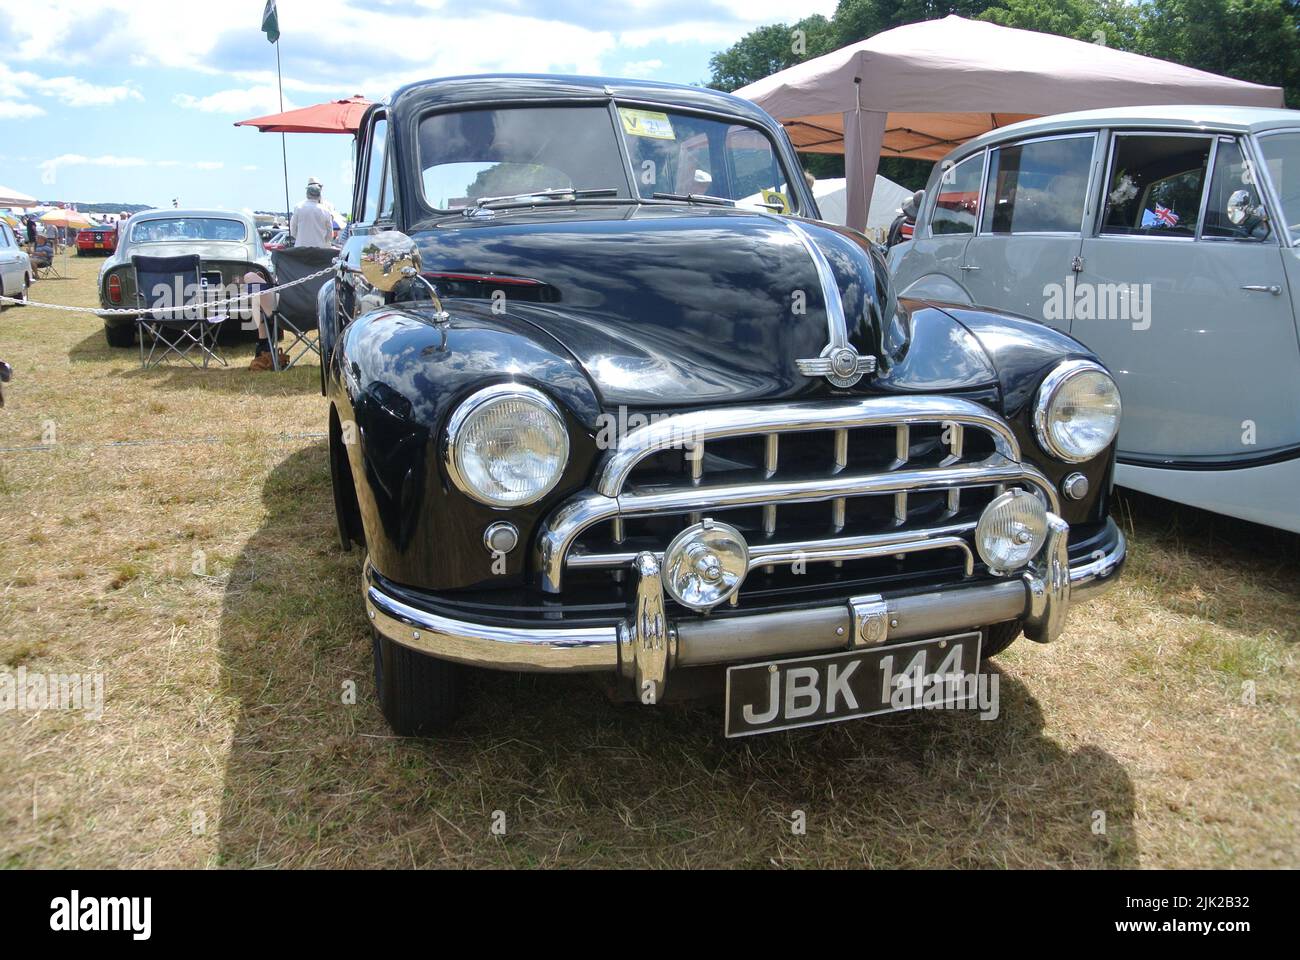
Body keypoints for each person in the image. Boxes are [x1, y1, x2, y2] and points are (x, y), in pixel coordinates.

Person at [289, 179, 333, 248]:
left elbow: (293, 230)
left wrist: (301, 239)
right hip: (319, 250)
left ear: (307, 193)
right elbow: (330, 235)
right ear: (319, 194)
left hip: (301, 249)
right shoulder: (326, 210)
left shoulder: (298, 207)